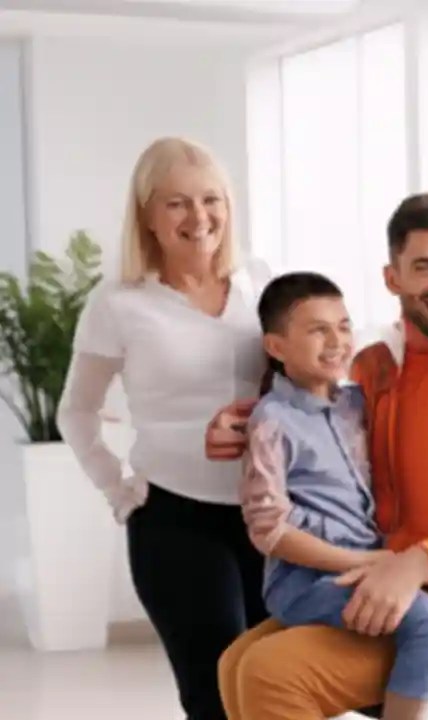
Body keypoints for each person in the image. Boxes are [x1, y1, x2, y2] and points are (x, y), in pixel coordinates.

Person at [213, 192, 428, 719]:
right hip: (386, 578)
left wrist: (417, 563)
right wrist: (236, 424)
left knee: (271, 672)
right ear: (392, 278)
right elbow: (312, 411)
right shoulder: (381, 366)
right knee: (235, 661)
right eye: (426, 267)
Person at [56, 136, 272, 719]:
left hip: (268, 515)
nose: (198, 217)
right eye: (176, 203)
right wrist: (116, 487)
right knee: (215, 695)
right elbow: (76, 411)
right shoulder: (118, 302)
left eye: (210, 199)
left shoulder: (258, 281)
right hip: (177, 521)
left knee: (276, 688)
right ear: (147, 215)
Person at [242, 271, 428, 720]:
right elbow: (269, 531)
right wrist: (362, 562)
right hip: (304, 581)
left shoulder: (356, 404)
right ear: (276, 347)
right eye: (318, 330)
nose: (337, 341)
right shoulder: (272, 421)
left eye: (343, 326)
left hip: (368, 562)